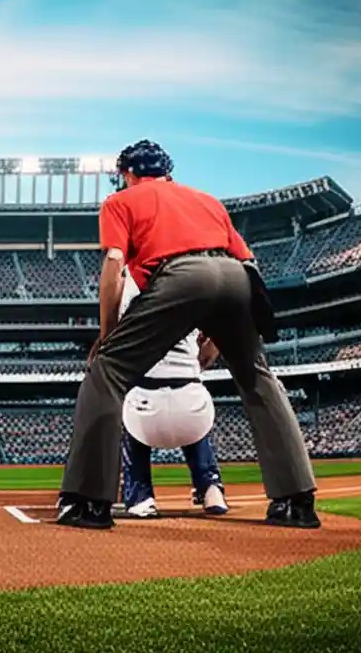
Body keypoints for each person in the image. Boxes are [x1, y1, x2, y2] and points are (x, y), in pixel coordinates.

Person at [56, 138, 317, 530]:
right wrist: (216, 338)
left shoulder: (120, 202)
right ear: (168, 172)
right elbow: (248, 261)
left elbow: (114, 265)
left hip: (178, 276)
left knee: (105, 374)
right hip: (236, 277)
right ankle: (296, 500)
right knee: (257, 377)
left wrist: (107, 335)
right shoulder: (207, 201)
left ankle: (87, 502)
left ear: (127, 174)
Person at [115, 271, 228, 518]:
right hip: (192, 412)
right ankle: (210, 489)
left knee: (128, 404)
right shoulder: (195, 284)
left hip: (145, 414)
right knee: (192, 401)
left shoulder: (129, 285)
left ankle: (140, 498)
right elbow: (209, 355)